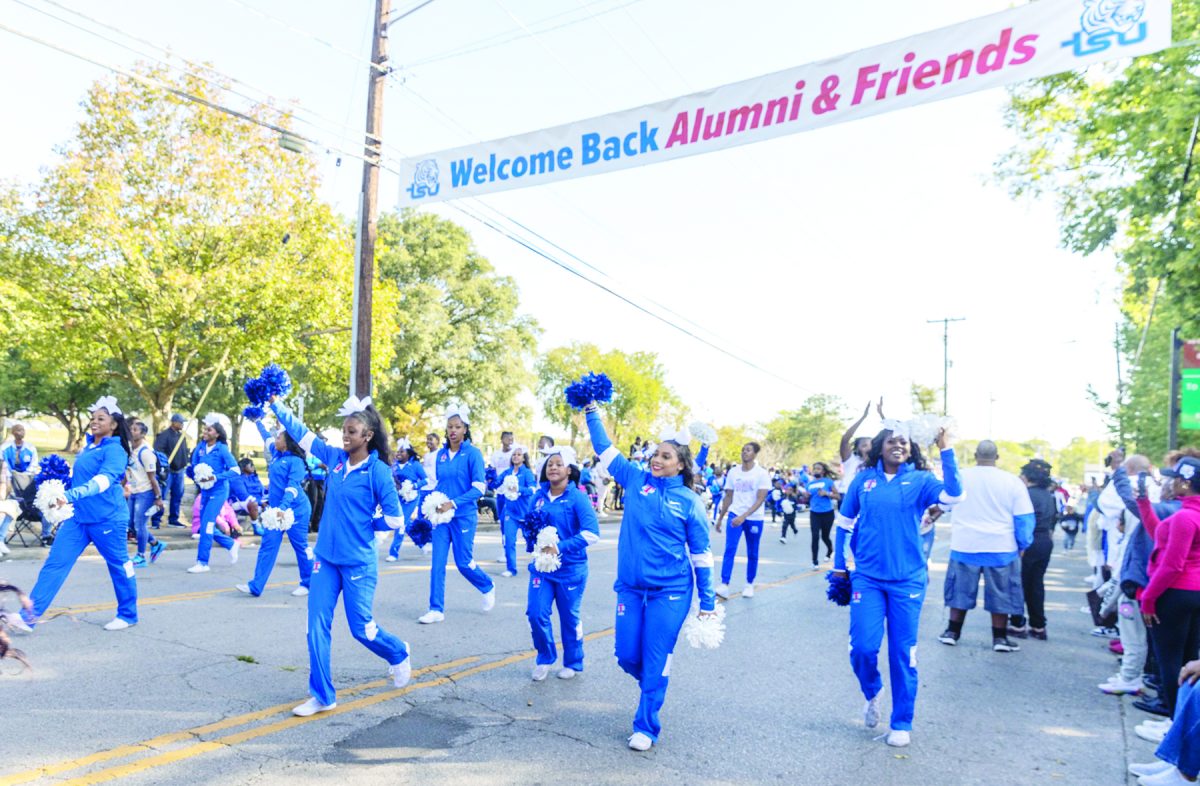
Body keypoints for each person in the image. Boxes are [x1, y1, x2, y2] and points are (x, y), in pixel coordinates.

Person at [584, 402, 716, 751]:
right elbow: (604, 448)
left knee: (656, 657)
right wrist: (591, 411)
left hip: (670, 592)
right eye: (656, 454)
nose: (656, 459)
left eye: (666, 456)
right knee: (627, 655)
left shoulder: (689, 501)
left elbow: (701, 555)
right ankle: (654, 683)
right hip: (630, 589)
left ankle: (646, 725)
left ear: (682, 465)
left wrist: (708, 601)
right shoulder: (635, 479)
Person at [270, 394, 412, 717]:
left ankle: (398, 652)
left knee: (362, 629)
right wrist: (278, 405)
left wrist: (366, 525)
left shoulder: (377, 472)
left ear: (368, 436)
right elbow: (302, 433)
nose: (345, 436)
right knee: (316, 624)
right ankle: (322, 694)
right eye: (343, 431)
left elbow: (395, 519)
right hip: (326, 559)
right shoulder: (334, 458)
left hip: (359, 561)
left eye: (351, 432)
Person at [833, 423, 962, 748]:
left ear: (911, 448)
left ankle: (901, 721)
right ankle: (873, 690)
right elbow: (844, 523)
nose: (898, 445)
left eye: (903, 441)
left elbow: (954, 494)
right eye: (891, 440)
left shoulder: (920, 480)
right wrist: (838, 566)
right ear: (880, 446)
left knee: (903, 654)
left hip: (908, 581)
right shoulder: (864, 480)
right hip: (868, 578)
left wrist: (945, 447)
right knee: (863, 648)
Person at [18, 397, 138, 632]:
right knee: (55, 564)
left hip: (108, 519)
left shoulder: (116, 450)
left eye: (100, 419)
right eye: (92, 418)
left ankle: (128, 614)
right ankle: (28, 617)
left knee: (120, 566)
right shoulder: (89, 447)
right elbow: (79, 477)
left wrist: (71, 495)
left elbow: (103, 481)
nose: (94, 422)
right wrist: (55, 489)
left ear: (113, 424)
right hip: (78, 519)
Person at [936, 441, 1032, 652]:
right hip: (1001, 547)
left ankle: (952, 631)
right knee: (1002, 592)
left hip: (965, 544)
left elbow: (944, 504)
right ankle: (999, 638)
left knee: (960, 589)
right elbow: (1023, 517)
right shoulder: (1012, 482)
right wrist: (1023, 543)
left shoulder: (961, 477)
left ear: (975, 455)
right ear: (997, 457)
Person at [527, 446, 600, 680]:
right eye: (550, 464)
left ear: (569, 470)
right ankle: (545, 657)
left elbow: (592, 533)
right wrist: (532, 541)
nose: (553, 467)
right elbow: (529, 526)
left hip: (571, 570)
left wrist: (559, 547)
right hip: (543, 568)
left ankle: (574, 661)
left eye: (559, 464)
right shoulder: (538, 497)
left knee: (569, 618)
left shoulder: (577, 497)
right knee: (536, 613)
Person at [417, 405, 496, 624]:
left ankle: (487, 585)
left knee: (463, 562)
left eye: (457, 426)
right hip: (441, 518)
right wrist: (429, 507)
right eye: (450, 426)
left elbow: (479, 488)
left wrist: (453, 503)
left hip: (464, 516)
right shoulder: (440, 455)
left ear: (465, 429)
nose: (453, 430)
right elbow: (438, 485)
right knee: (437, 562)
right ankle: (436, 609)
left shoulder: (473, 454)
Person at [1137, 455, 1200, 718]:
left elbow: (1172, 564)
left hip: (1175, 593)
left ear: (1185, 484)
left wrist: (1148, 599)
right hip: (1193, 594)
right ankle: (1180, 726)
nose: (1170, 482)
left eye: (1174, 478)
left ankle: (1174, 725)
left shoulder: (1186, 517)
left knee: (1170, 662)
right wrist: (1142, 503)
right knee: (1188, 661)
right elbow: (1160, 534)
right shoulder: (1190, 514)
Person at [236, 417, 313, 598]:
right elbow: (266, 437)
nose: (275, 439)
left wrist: (283, 508)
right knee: (268, 546)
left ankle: (308, 583)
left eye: (279, 437)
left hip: (296, 511)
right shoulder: (277, 454)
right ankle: (256, 586)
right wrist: (257, 422)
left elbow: (293, 487)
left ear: (286, 443)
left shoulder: (296, 462)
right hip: (276, 512)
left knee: (300, 546)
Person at [1008, 459, 1059, 641]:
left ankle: (1017, 622)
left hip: (1029, 541)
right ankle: (1038, 625)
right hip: (1045, 540)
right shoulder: (1048, 495)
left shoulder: (1026, 494)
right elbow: (1054, 519)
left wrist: (1021, 545)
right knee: (1036, 584)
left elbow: (1022, 520)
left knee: (1019, 582)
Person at [715, 442, 770, 598]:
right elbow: (729, 496)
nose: (744, 452)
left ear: (755, 454)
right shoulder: (733, 472)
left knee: (752, 551)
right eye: (743, 450)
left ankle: (749, 583)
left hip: (754, 517)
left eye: (748, 450)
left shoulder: (761, 474)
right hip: (734, 514)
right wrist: (720, 518)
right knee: (729, 549)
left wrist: (744, 516)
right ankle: (724, 584)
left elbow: (760, 499)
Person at [186, 414, 240, 573]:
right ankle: (231, 544)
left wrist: (216, 477)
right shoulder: (200, 447)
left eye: (209, 430)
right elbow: (194, 465)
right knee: (204, 525)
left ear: (217, 433)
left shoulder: (222, 449)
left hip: (219, 492)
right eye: (205, 429)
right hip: (205, 491)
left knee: (208, 524)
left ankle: (202, 562)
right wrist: (193, 473)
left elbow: (235, 470)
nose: (205, 432)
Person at [126, 420, 165, 568]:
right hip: (134, 492)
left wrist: (158, 498)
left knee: (139, 524)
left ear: (143, 434)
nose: (132, 432)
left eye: (136, 430)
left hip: (146, 493)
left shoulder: (146, 452)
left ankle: (141, 556)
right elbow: (128, 471)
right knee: (131, 523)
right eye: (131, 429)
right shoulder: (130, 450)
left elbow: (152, 478)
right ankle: (155, 544)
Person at [386, 438, 428, 562]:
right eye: (397, 452)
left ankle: (393, 553)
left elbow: (426, 480)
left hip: (411, 498)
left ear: (408, 453)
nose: (398, 454)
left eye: (402, 452)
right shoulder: (393, 465)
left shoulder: (415, 465)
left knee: (401, 523)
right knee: (406, 524)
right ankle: (421, 542)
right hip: (397, 497)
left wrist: (413, 487)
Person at [498, 446, 537, 577]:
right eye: (514, 454)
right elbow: (496, 483)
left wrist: (518, 489)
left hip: (526, 513)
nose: (516, 456)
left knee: (533, 542)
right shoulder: (507, 472)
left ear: (523, 458)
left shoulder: (527, 473)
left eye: (519, 454)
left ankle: (541, 564)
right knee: (509, 541)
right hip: (510, 513)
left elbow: (532, 489)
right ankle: (511, 569)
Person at [152, 414, 189, 528]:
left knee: (177, 496)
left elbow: (183, 451)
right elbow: (158, 451)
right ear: (174, 422)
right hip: (168, 472)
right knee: (161, 495)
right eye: (181, 422)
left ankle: (173, 519)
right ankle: (156, 520)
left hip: (179, 471)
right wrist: (165, 464)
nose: (182, 424)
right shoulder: (164, 435)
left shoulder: (182, 436)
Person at [802, 462, 840, 569]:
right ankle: (815, 561)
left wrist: (827, 494)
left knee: (825, 536)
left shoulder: (828, 482)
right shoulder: (809, 484)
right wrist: (806, 496)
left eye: (818, 469)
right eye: (814, 469)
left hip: (827, 513)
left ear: (823, 471)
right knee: (815, 536)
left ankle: (830, 550)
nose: (816, 471)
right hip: (814, 513)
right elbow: (807, 499)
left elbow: (838, 496)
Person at [1, 422, 38, 498]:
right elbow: (3, 465)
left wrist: (23, 476)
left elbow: (34, 464)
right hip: (9, 478)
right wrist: (10, 476)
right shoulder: (4, 448)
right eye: (19, 430)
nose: (22, 432)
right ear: (13, 432)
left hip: (26, 477)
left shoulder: (30, 448)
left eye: (23, 430)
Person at [227, 458, 264, 530]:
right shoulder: (237, 478)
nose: (253, 466)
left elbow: (261, 490)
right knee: (253, 504)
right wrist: (261, 503)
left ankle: (269, 527)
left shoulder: (254, 477)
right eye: (251, 465)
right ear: (244, 467)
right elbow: (243, 496)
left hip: (256, 501)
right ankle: (256, 526)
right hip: (238, 502)